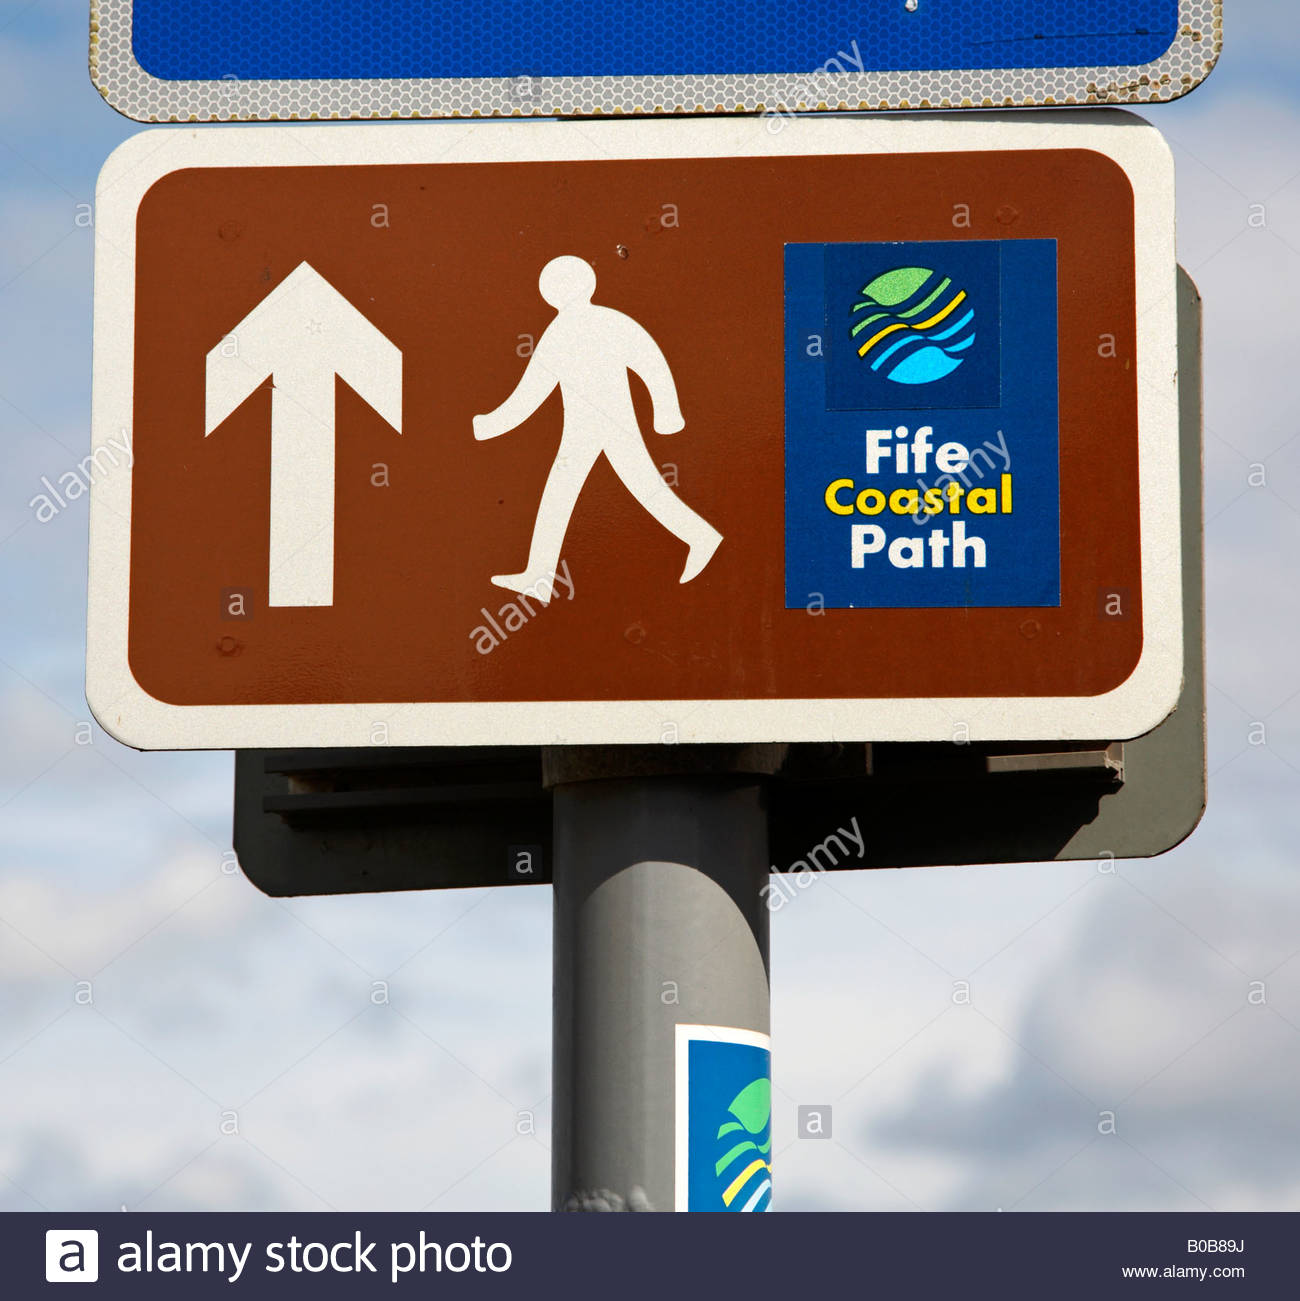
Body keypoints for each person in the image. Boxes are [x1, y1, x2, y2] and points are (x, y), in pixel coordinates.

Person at [473, 255, 723, 602]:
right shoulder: (591, 325)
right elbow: (534, 390)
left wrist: (668, 412)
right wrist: (491, 424)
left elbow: (649, 363)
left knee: (639, 488)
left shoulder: (579, 329)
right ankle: (540, 575)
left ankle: (701, 537)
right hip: (584, 430)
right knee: (578, 490)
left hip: (610, 426)